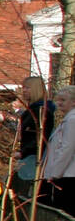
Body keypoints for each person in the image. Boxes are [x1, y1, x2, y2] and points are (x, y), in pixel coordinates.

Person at [37, 85, 75, 214]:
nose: (59, 103)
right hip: (64, 173)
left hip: (67, 175)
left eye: (63, 100)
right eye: (58, 100)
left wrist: (55, 173)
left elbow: (67, 148)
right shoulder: (67, 119)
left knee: (65, 210)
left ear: (73, 102)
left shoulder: (72, 120)